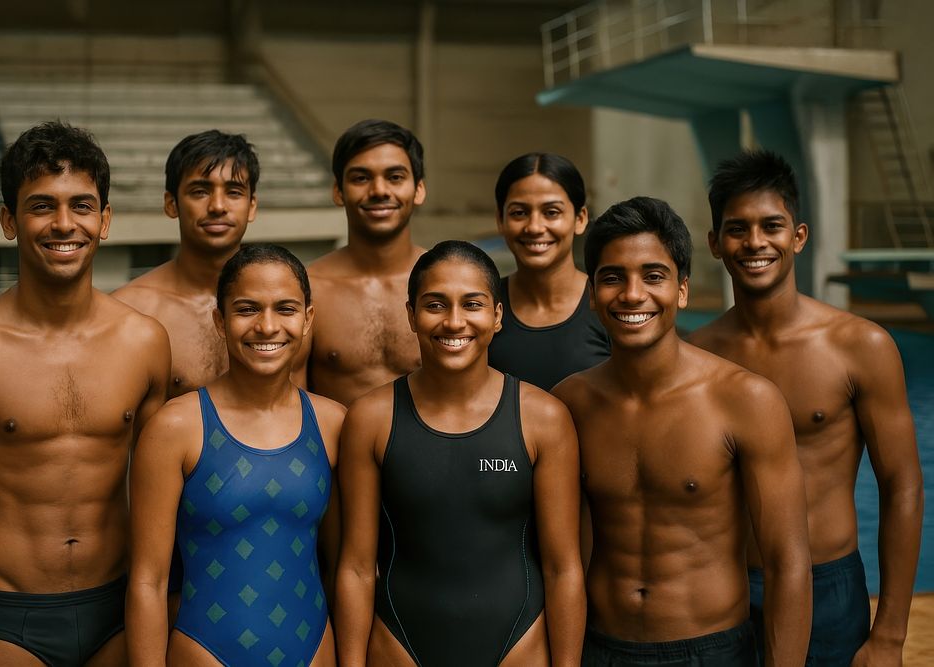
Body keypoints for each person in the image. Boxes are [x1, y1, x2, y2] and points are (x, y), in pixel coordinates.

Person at [0, 121, 171, 666]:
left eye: (82, 206)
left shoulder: (144, 343)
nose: (64, 224)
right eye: (42, 206)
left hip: (118, 609)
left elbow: (161, 503)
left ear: (105, 220)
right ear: (8, 221)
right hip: (8, 620)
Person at [553, 197, 812, 666]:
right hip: (601, 646)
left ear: (683, 289)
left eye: (654, 276)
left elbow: (787, 562)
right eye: (613, 278)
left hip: (709, 650)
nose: (633, 295)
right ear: (591, 293)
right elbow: (558, 557)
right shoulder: (571, 404)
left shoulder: (745, 400)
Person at [689, 150, 924, 665]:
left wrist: (889, 635)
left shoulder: (859, 346)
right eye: (737, 229)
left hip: (827, 584)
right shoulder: (696, 354)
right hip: (721, 588)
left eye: (771, 226)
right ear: (713, 243)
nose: (754, 242)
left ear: (798, 236)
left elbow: (902, 487)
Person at [336, 240, 585, 667]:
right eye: (436, 305)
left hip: (517, 647)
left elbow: (563, 568)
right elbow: (357, 567)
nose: (454, 322)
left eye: (472, 304)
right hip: (399, 646)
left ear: (497, 315)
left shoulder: (544, 418)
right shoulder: (370, 419)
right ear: (411, 315)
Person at [126, 244, 344, 666]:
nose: (267, 326)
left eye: (285, 309)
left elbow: (344, 567)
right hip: (205, 650)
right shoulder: (175, 428)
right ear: (219, 321)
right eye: (247, 309)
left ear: (308, 319)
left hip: (314, 649)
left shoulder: (334, 424)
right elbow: (148, 582)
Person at [113, 129, 261, 397]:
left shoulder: (288, 307)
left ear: (251, 206)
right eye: (200, 191)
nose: (217, 206)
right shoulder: (131, 310)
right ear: (171, 204)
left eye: (234, 192)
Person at [299, 119, 427, 406]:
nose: (379, 190)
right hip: (337, 450)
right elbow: (289, 405)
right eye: (361, 178)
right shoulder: (308, 288)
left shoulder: (447, 282)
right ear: (338, 191)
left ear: (418, 189)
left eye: (395, 177)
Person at [489, 152, 610, 390]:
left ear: (580, 218)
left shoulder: (612, 304)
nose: (534, 227)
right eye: (519, 213)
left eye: (551, 212)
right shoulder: (481, 307)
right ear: (500, 221)